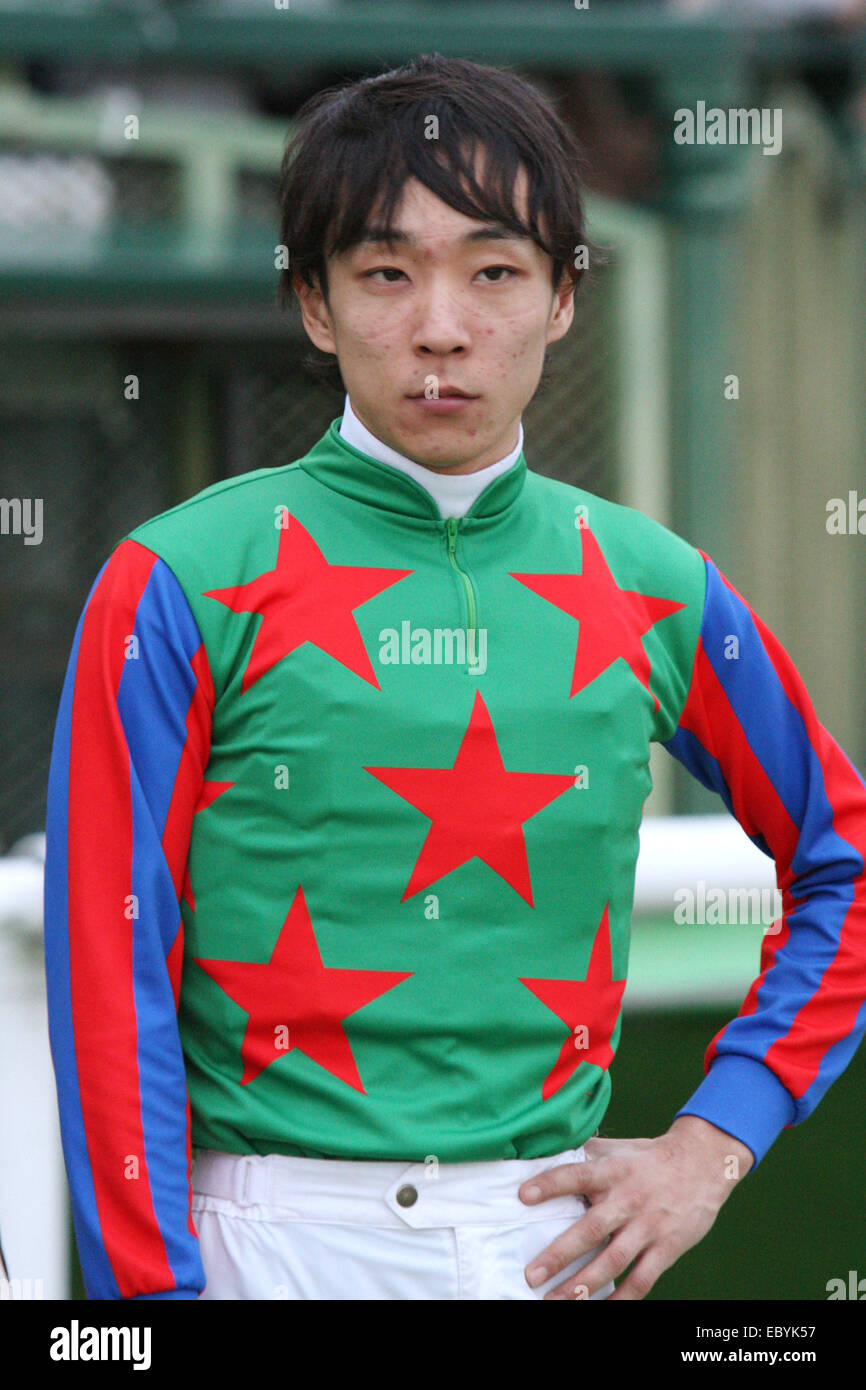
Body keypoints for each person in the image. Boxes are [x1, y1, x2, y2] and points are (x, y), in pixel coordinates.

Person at [43, 53, 866, 1302]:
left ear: (561, 297)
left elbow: (845, 864)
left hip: (549, 1248)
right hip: (258, 1245)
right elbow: (108, 961)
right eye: (385, 271)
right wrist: (151, 1307)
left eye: (493, 271)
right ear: (314, 305)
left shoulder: (657, 584)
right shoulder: (175, 581)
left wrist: (710, 1144)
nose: (440, 324)